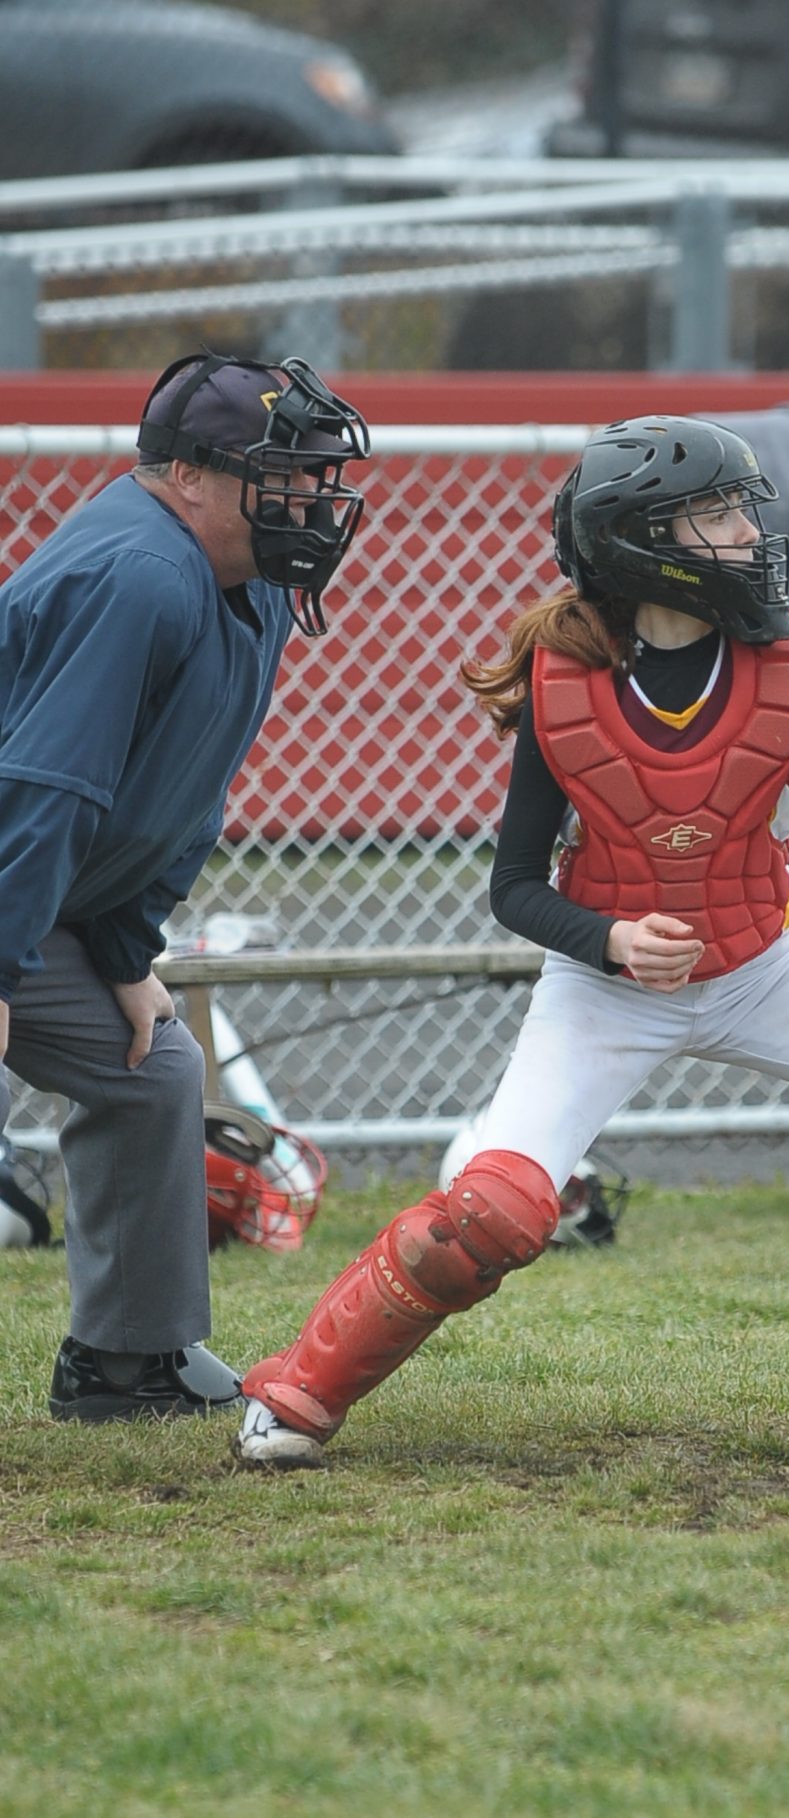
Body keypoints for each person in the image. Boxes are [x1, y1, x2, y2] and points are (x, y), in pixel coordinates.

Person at [236, 414, 789, 1469]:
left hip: (762, 971)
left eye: (741, 507)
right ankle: (298, 1391)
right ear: (640, 540)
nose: (746, 529)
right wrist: (605, 939)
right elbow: (512, 889)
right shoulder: (563, 677)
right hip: (603, 993)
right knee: (490, 1213)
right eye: (715, 513)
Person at [0, 350, 369, 1422]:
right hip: (12, 868)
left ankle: (124, 1361)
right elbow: (44, 787)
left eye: (311, 475)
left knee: (153, 1067)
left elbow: (168, 802)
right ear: (191, 476)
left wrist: (123, 955)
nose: (308, 499)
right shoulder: (141, 572)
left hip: (34, 882)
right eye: (283, 473)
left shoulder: (241, 582)